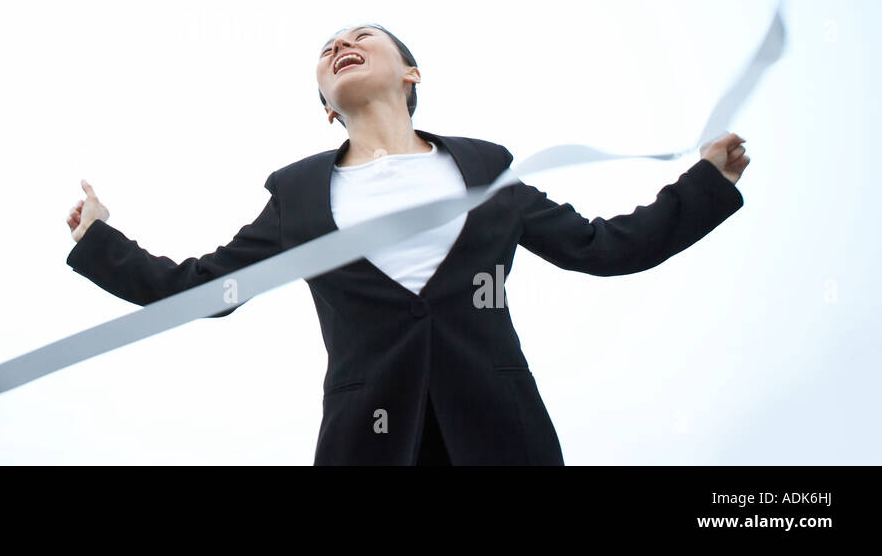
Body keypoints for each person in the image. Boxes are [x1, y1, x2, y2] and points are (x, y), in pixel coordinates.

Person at [64, 23, 750, 465]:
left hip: (501, 438)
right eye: (325, 53)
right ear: (326, 107)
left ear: (411, 74)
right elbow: (207, 291)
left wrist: (705, 185)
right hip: (367, 443)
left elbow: (606, 247)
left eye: (358, 37)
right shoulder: (298, 196)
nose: (337, 47)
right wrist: (101, 240)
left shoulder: (488, 173)